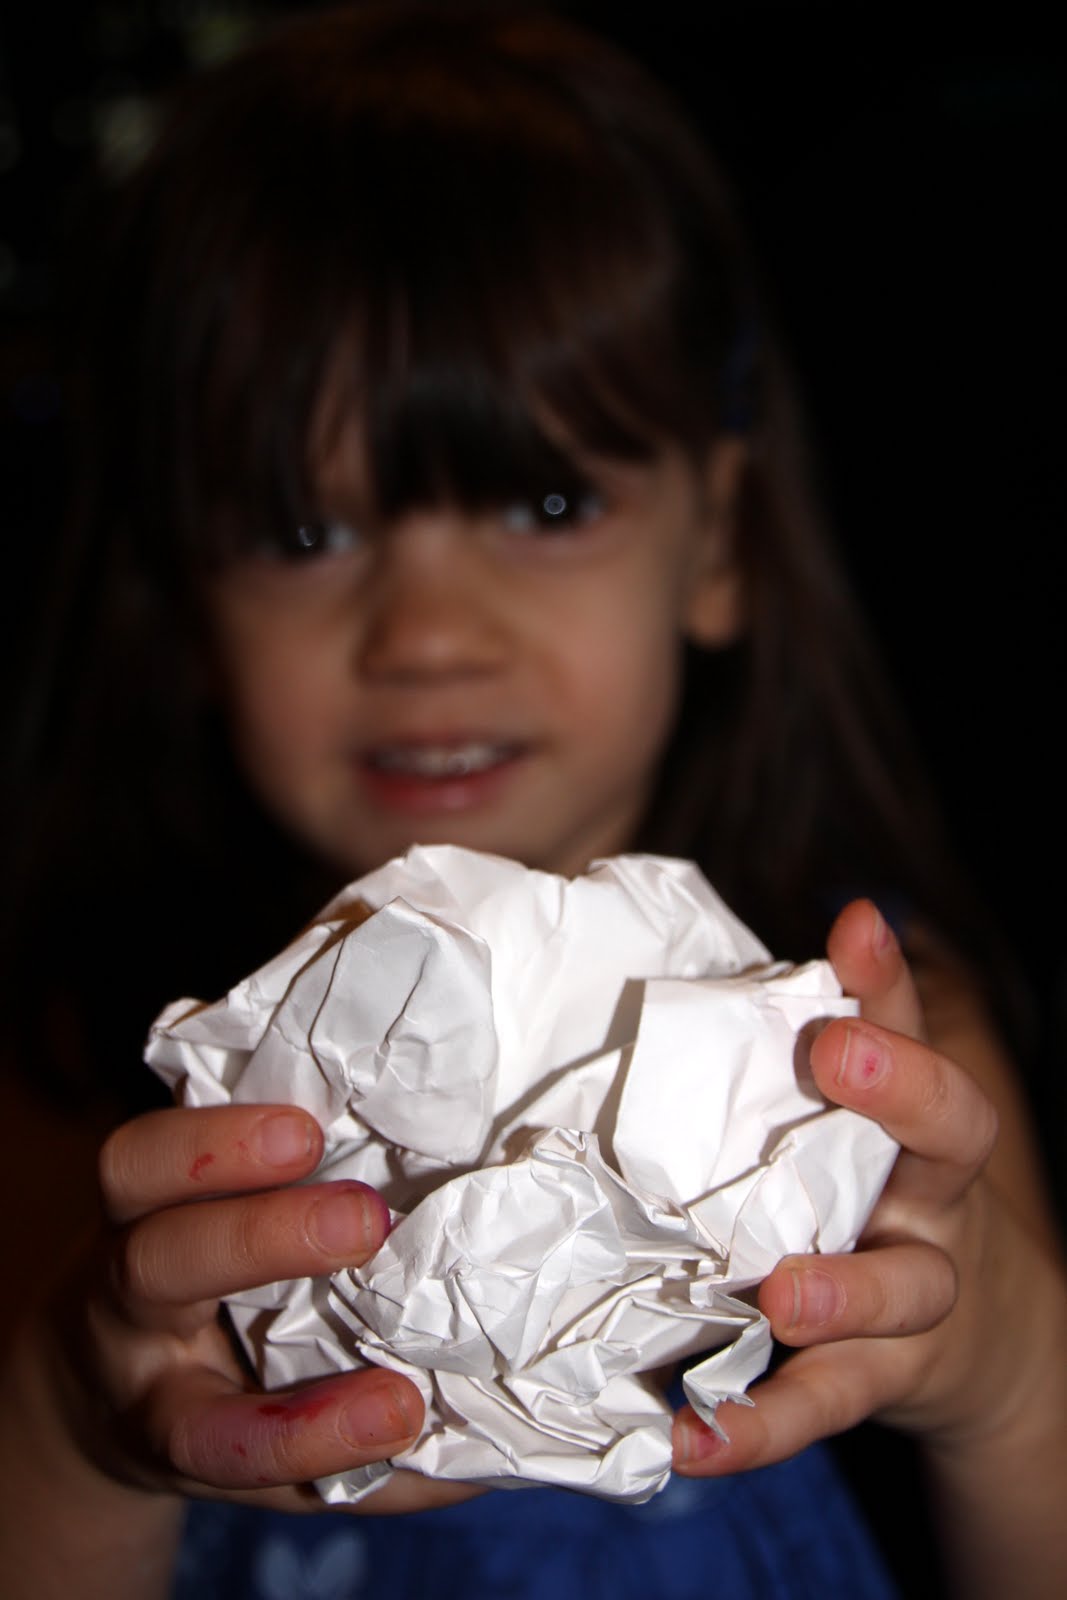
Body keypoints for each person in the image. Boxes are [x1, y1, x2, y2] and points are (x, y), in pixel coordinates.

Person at [1, 3, 1064, 1596]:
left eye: (547, 502)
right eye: (305, 534)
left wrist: (1011, 1371)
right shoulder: (105, 1111)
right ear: (183, 602)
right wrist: (73, 1426)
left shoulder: (884, 1073)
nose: (426, 637)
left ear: (713, 538)